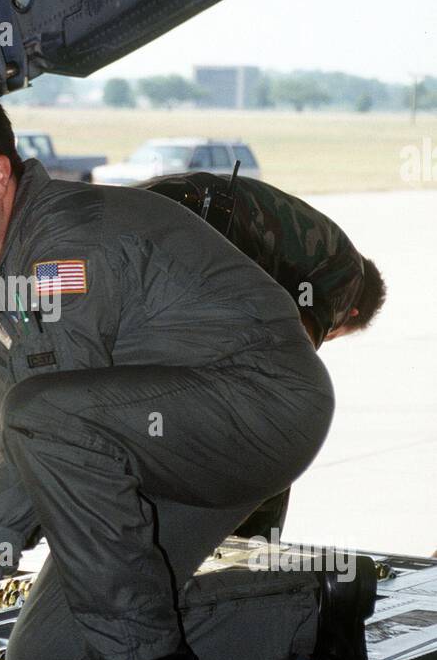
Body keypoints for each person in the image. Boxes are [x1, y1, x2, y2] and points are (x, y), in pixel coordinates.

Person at [0, 82, 375, 660]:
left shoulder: (65, 252)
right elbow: (26, 454)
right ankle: (317, 609)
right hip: (169, 441)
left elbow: (47, 431)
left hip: (262, 404)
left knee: (50, 422)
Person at [144, 170, 387, 542]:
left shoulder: (318, 245)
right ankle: (250, 556)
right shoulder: (345, 279)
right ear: (350, 315)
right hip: (198, 228)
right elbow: (288, 363)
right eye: (334, 334)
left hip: (145, 214)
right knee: (275, 431)